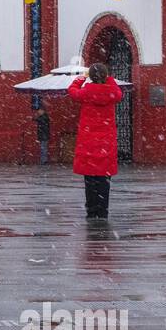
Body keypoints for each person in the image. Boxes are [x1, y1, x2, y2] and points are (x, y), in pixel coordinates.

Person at [67, 62, 123, 219]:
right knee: (104, 181)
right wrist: (109, 79)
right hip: (106, 142)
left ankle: (91, 210)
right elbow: (118, 93)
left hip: (89, 142)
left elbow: (71, 91)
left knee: (90, 180)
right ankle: (103, 210)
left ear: (90, 76)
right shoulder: (112, 93)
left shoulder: (86, 92)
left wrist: (81, 78)